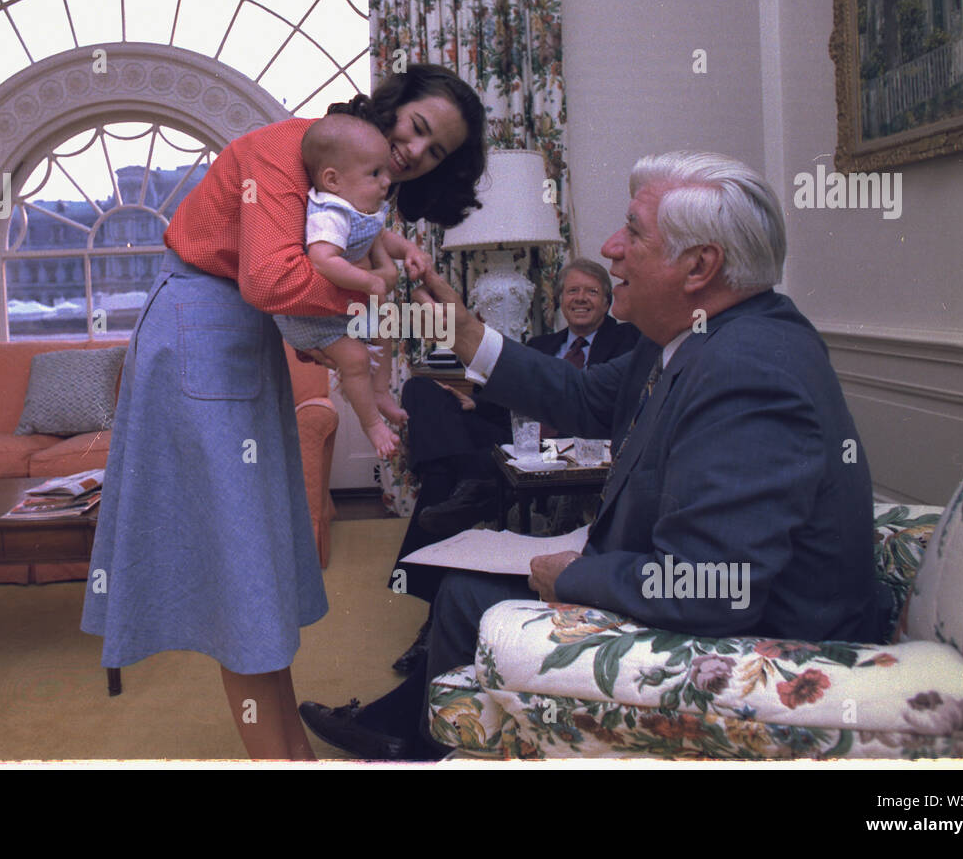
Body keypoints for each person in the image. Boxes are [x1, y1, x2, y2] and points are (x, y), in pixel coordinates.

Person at [300, 150, 892, 760]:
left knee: (472, 602)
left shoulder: (749, 372)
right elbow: (580, 396)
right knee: (466, 581)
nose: (610, 247)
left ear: (699, 266)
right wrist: (465, 333)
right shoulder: (692, 335)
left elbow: (717, 586)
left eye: (633, 231)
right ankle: (419, 738)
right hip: (685, 590)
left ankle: (428, 748)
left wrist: (574, 574)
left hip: (758, 649)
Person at [81, 63, 487, 760]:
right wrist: (370, 302)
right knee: (240, 579)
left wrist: (377, 270)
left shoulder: (344, 177)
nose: (417, 152)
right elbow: (271, 279)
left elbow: (306, 269)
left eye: (436, 150)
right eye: (418, 127)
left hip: (236, 343)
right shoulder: (286, 153)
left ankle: (289, 753)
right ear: (391, 107)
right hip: (202, 342)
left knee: (253, 579)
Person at [385, 258, 641, 675]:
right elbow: (508, 392)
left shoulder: (629, 341)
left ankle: (435, 616)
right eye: (572, 291)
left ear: (608, 302)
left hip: (573, 441)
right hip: (513, 438)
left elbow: (586, 398)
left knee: (448, 482)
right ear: (558, 300)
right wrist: (472, 396)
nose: (580, 298)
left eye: (591, 291)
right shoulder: (541, 345)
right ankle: (463, 482)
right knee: (422, 387)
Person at [273, 115, 433, 458]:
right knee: (356, 357)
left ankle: (379, 392)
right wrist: (369, 279)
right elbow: (322, 259)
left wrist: (410, 251)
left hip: (339, 306)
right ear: (333, 179)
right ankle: (372, 424)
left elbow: (381, 236)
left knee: (384, 328)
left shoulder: (356, 206)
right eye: (375, 174)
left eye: (385, 172)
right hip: (311, 315)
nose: (387, 181)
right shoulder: (329, 213)